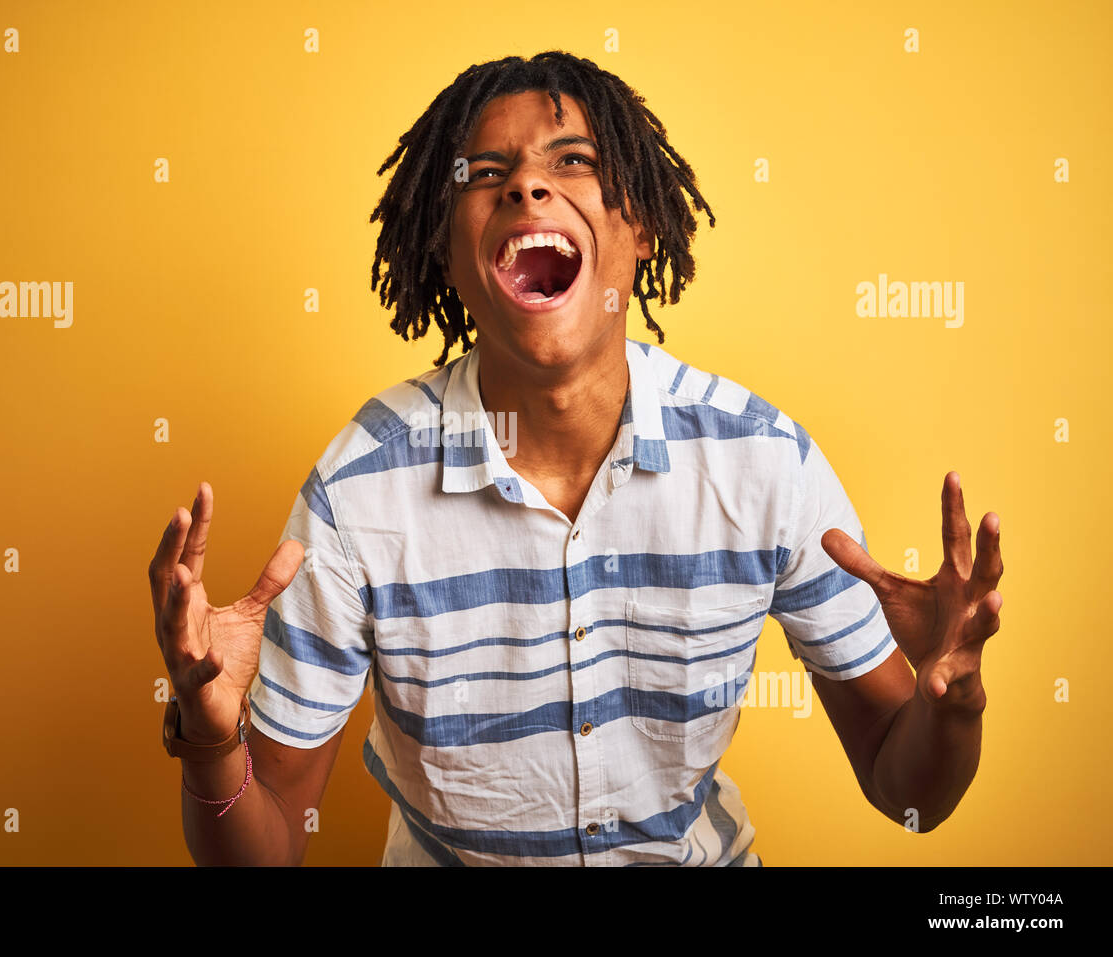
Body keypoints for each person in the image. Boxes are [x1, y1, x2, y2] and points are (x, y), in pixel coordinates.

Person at [147, 51, 1004, 866]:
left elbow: (909, 795)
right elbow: (266, 851)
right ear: (447, 254)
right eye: (485, 175)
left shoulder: (762, 463)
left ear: (638, 231)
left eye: (575, 161)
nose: (525, 182)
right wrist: (211, 737)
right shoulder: (359, 488)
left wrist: (949, 705)